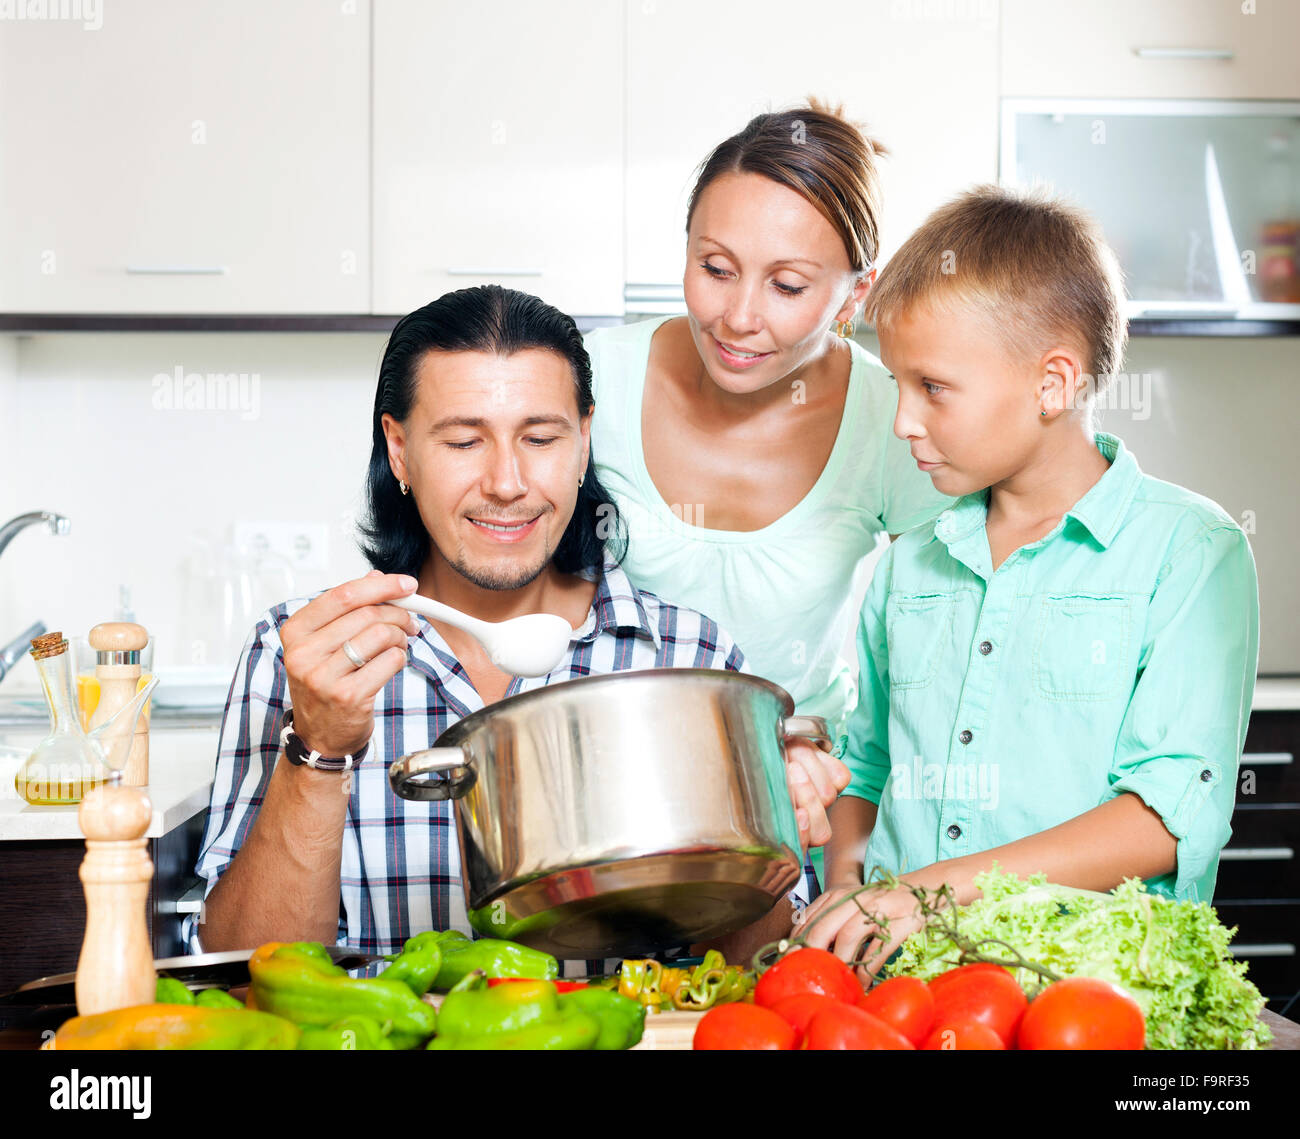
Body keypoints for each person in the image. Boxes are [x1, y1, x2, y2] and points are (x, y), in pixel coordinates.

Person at [187, 285, 847, 968]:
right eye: (465, 440)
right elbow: (242, 977)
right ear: (401, 451)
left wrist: (767, 841)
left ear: (584, 440)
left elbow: (759, 973)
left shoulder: (693, 659)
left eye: (539, 437)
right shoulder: (302, 654)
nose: (507, 482)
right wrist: (319, 752)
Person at [801, 185, 1260, 969]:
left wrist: (930, 891)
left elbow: (1167, 818)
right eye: (898, 386)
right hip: (906, 986)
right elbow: (869, 762)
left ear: (1053, 384)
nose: (904, 420)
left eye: (933, 388)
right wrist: (846, 878)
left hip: (1091, 995)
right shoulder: (912, 553)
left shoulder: (1191, 552)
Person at [584, 100, 952, 758]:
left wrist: (846, 781)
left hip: (795, 784)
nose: (738, 317)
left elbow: (941, 641)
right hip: (613, 769)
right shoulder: (593, 378)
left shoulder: (892, 418)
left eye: (786, 286)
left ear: (853, 295)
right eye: (716, 269)